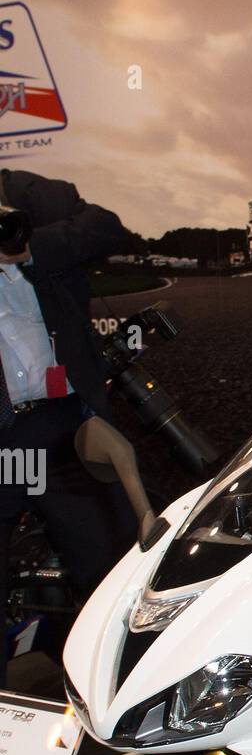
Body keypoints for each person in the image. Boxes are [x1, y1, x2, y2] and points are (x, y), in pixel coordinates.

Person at [0, 167, 136, 688]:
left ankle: (113, 691)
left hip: (63, 427)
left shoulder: (30, 195)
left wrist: (27, 248)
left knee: (110, 569)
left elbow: (107, 227)